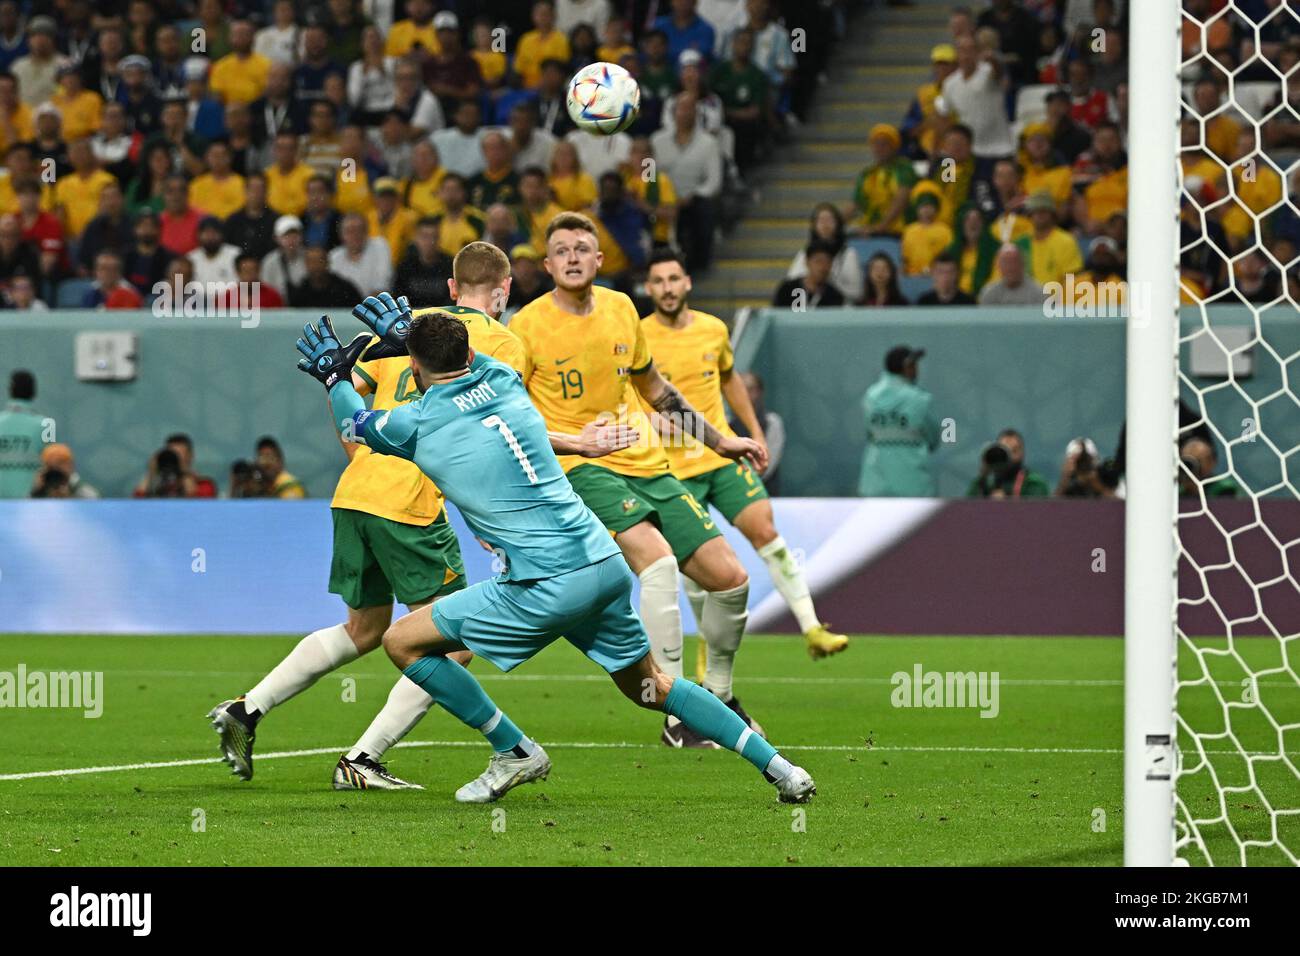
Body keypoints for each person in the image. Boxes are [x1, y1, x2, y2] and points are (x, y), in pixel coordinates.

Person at [287, 305, 816, 804]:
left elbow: (355, 424)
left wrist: (336, 376)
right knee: (653, 686)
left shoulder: (416, 423)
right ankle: (781, 770)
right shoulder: (503, 381)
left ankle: (514, 750)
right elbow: (455, 364)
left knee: (403, 642)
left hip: (542, 583)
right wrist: (409, 339)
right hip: (603, 564)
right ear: (469, 356)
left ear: (417, 369)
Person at [208, 241, 637, 790]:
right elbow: (498, 427)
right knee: (447, 645)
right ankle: (363, 758)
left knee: (364, 629)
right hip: (411, 503)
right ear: (503, 292)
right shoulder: (500, 342)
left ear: (453, 288)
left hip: (357, 491)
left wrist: (365, 456)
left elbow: (341, 387)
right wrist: (562, 457)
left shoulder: (403, 329)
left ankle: (249, 709)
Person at [511, 212, 770, 748]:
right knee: (659, 564)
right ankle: (676, 713)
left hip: (646, 461)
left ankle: (716, 696)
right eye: (561, 251)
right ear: (548, 264)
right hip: (581, 465)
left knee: (730, 578)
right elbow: (513, 418)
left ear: (600, 259)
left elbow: (656, 388)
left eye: (583, 248)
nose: (574, 257)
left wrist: (721, 440)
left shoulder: (622, 308)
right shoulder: (526, 327)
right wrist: (575, 442)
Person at [642, 248, 848, 662]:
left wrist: (754, 431)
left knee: (766, 532)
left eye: (673, 279)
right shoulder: (639, 335)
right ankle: (706, 642)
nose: (667, 288)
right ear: (649, 289)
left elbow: (730, 378)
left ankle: (812, 627)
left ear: (687, 283)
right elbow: (631, 391)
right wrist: (649, 422)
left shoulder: (714, 330)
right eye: (659, 281)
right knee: (698, 568)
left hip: (719, 458)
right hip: (671, 467)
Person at [858, 346, 941, 497]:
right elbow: (935, 437)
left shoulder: (869, 397)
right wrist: (950, 434)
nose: (917, 370)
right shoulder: (919, 399)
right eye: (914, 365)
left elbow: (869, 433)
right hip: (912, 484)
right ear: (907, 367)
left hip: (874, 482)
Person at [785, 203, 862, 302]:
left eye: (830, 220)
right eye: (821, 220)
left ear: (838, 224)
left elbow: (857, 292)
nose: (825, 225)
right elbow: (793, 282)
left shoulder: (848, 254)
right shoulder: (805, 253)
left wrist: (828, 285)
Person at [0, 370, 45, 498]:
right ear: (34, 392)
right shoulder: (47, 425)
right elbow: (53, 464)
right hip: (32, 505)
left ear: (10, 391)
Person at [967, 429, 1050, 498]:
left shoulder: (1033, 482)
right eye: (1004, 450)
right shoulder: (988, 482)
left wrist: (1007, 504)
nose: (1009, 456)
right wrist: (983, 475)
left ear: (1022, 453)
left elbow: (1037, 513)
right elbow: (966, 509)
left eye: (1014, 451)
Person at [133, 432, 218, 497]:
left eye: (179, 454)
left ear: (190, 456)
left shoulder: (204, 484)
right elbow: (137, 503)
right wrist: (152, 471)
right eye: (172, 454)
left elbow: (196, 505)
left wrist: (185, 473)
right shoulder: (158, 486)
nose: (175, 458)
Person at [392, 216, 453, 306]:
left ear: (439, 239)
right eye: (425, 237)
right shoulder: (405, 266)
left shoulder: (450, 265)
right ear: (416, 239)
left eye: (434, 237)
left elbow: (453, 300)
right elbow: (398, 299)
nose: (429, 241)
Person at [771, 241, 846, 308]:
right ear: (807, 262)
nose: (823, 267)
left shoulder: (834, 296)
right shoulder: (787, 289)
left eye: (827, 262)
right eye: (818, 261)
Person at [289, 244, 362, 308]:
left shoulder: (346, 290)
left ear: (328, 262)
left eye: (320, 261)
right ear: (306, 264)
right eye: (312, 261)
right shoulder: (299, 292)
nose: (316, 266)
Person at [977, 244, 1045, 305]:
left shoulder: (1039, 293)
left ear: (1023, 264)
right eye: (1006, 263)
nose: (1011, 267)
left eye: (1014, 262)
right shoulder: (989, 294)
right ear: (998, 266)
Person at [34, 442, 98, 499]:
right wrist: (37, 491)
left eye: (60, 462)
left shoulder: (86, 493)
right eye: (49, 465)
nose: (56, 469)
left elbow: (95, 507)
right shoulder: (40, 492)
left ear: (71, 465)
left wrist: (69, 498)